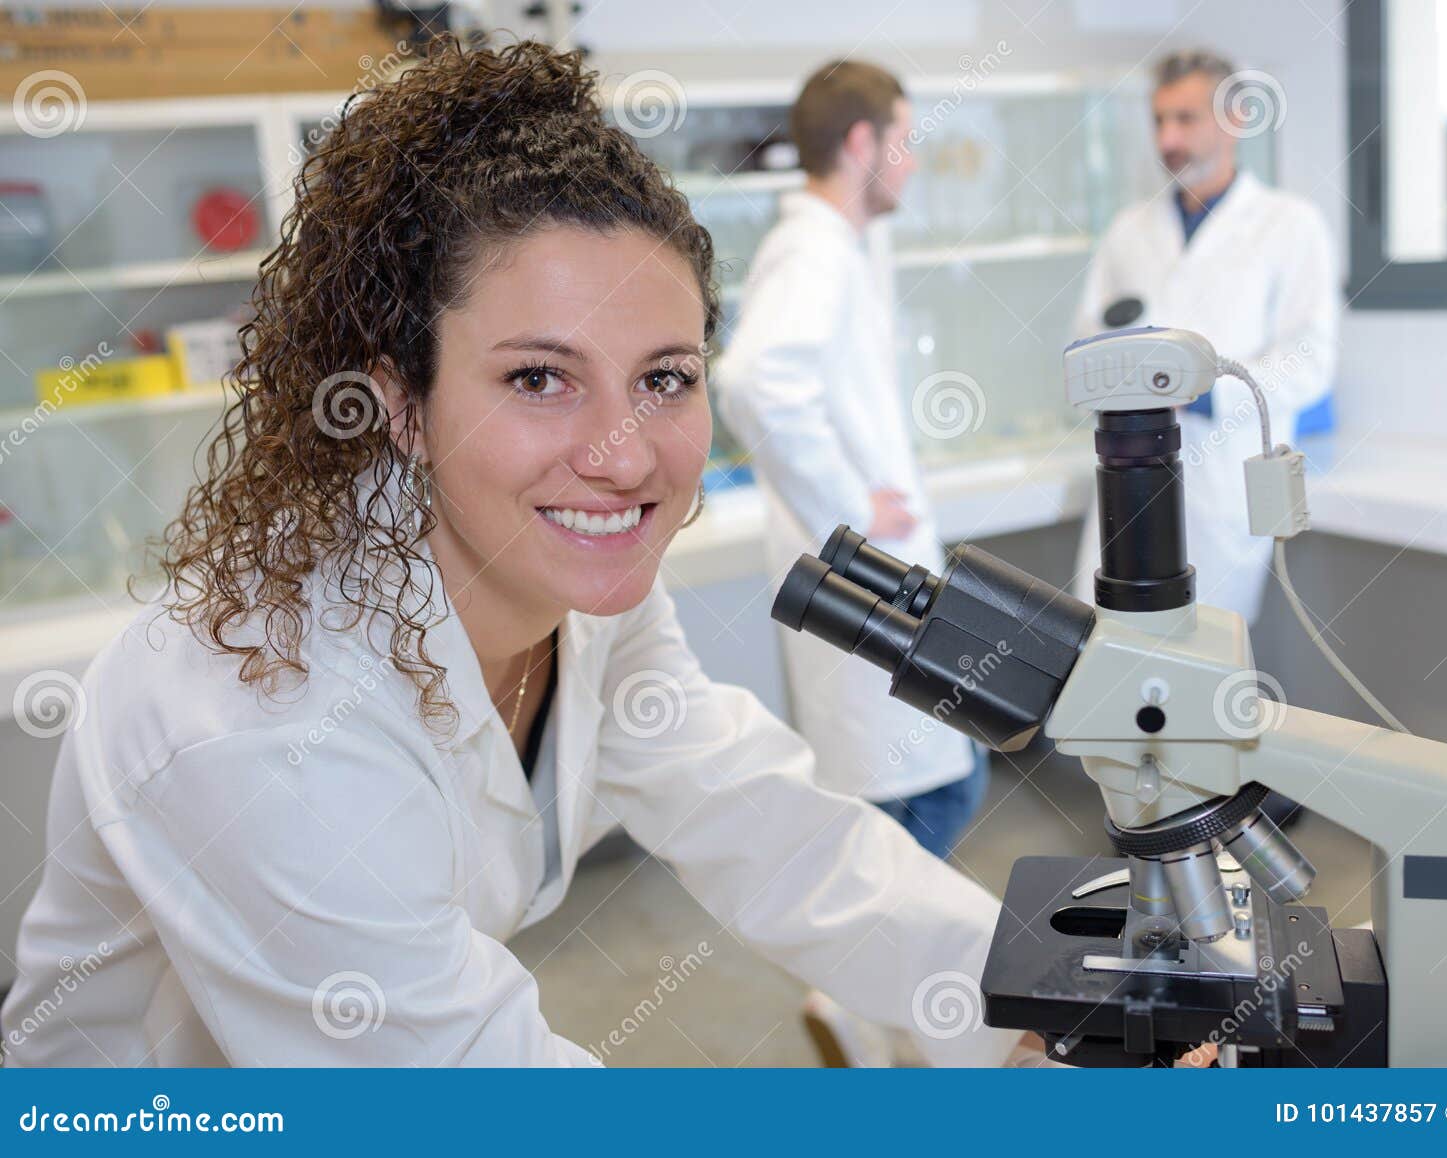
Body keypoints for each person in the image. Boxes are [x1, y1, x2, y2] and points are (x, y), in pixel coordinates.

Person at [0, 42, 1022, 1068]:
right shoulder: (266, 705)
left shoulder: (577, 595)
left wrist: (1041, 994)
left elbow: (764, 823)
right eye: (539, 378)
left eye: (664, 378)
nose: (625, 457)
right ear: (401, 403)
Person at [715, 62, 993, 1065]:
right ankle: (851, 988)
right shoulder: (816, 251)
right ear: (863, 143)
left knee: (916, 789)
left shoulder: (836, 245)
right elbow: (755, 381)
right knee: (928, 793)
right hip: (860, 576)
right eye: (904, 139)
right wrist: (853, 506)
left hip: (862, 576)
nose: (911, 161)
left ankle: (861, 995)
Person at [1072, 49, 1338, 627]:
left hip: (1222, 489)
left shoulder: (1290, 225)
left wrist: (1199, 391)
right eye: (1159, 120)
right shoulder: (1128, 230)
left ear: (1236, 118)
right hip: (1126, 483)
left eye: (1186, 119)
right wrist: (1127, 378)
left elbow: (1310, 360)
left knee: (1204, 659)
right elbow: (1088, 339)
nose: (1167, 138)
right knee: (1101, 656)